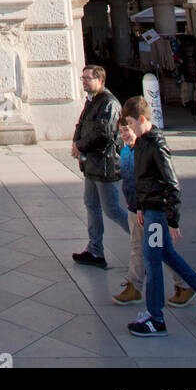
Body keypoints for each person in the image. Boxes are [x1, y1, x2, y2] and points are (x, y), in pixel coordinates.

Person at [121, 95, 196, 337]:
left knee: (152, 261)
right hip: (149, 210)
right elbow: (142, 180)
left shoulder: (156, 145)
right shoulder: (143, 142)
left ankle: (155, 318)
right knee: (166, 255)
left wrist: (172, 219)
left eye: (131, 123)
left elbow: (172, 183)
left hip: (157, 213)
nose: (129, 128)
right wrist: (139, 207)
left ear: (142, 119)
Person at [112, 122, 193, 308]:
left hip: (151, 211)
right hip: (136, 208)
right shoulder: (125, 152)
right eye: (121, 131)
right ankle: (135, 287)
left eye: (128, 129)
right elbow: (127, 179)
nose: (124, 134)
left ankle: (185, 285)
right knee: (138, 248)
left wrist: (172, 218)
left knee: (160, 251)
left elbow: (166, 183)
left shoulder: (146, 151)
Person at [71, 66, 129, 269]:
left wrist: (80, 145)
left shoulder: (109, 103)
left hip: (105, 164)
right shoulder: (92, 101)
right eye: (83, 78)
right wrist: (76, 142)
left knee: (112, 210)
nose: (84, 82)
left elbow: (103, 134)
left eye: (88, 78)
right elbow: (81, 124)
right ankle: (95, 250)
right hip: (91, 164)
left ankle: (145, 241)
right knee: (91, 205)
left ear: (101, 80)